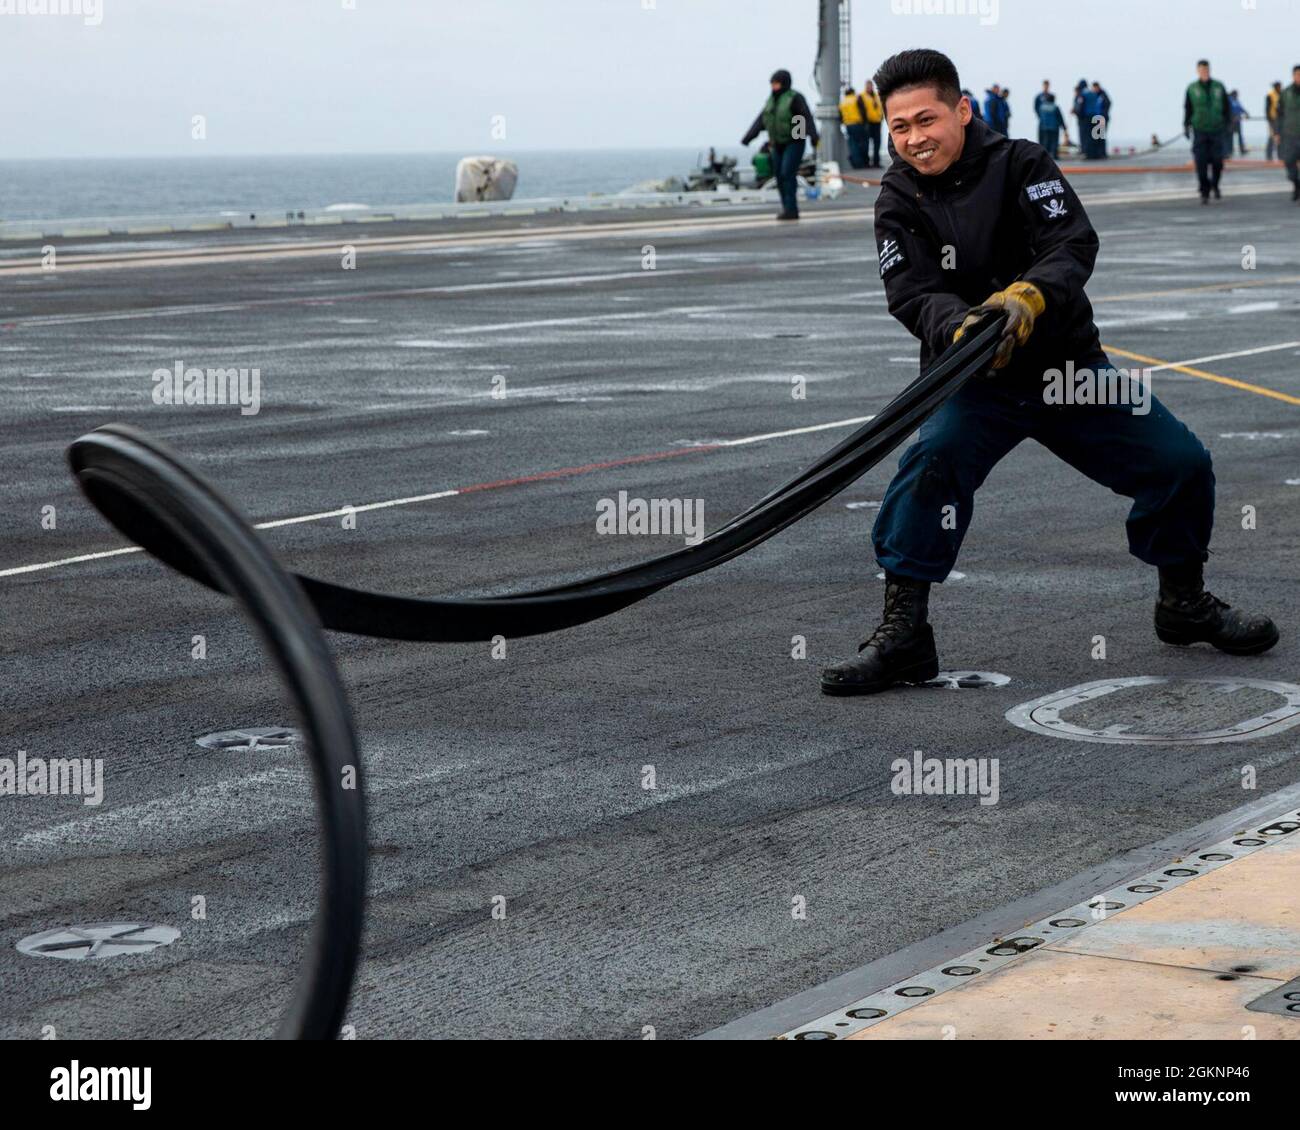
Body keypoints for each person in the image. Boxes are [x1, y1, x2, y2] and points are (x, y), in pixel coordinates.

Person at [820, 48, 1277, 696]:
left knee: (1180, 463)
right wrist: (962, 325)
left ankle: (1182, 601)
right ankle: (904, 636)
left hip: (1067, 368)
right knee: (928, 468)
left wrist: (1029, 296)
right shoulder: (898, 195)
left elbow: (1072, 243)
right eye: (900, 128)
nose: (915, 139)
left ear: (963, 109)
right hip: (974, 381)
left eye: (927, 119)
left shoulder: (1021, 164)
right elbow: (910, 291)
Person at [742, 69, 820, 220]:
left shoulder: (795, 98)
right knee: (779, 176)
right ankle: (786, 208)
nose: (773, 87)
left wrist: (813, 136)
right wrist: (748, 138)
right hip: (777, 144)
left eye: (776, 83)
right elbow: (761, 120)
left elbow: (805, 117)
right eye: (772, 84)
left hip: (794, 142)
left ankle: (792, 209)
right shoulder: (771, 101)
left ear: (784, 83)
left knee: (787, 173)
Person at [1184, 59, 1231, 202]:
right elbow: (1188, 108)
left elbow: (1226, 107)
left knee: (1218, 162)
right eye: (1202, 70)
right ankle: (1204, 190)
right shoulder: (1192, 88)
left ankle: (1215, 185)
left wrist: (1227, 125)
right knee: (1201, 163)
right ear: (1198, 71)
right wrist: (1186, 125)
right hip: (1200, 129)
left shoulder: (1219, 86)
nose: (1204, 72)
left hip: (1217, 129)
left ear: (1209, 70)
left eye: (1206, 70)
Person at [1279, 65, 1300, 202]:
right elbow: (1279, 114)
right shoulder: (1285, 93)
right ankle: (1297, 185)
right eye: (1297, 74)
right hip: (1290, 134)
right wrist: (1277, 132)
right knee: (1289, 162)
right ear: (1293, 76)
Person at [840, 85, 870, 169]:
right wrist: (865, 123)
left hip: (848, 125)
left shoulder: (843, 102)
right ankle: (863, 163)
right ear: (853, 92)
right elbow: (863, 111)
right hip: (858, 124)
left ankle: (856, 163)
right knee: (863, 143)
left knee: (853, 144)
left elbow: (841, 115)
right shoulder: (856, 98)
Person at [861, 80, 885, 167]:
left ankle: (876, 162)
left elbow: (881, 107)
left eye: (870, 86)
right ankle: (866, 162)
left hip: (877, 123)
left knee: (877, 143)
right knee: (866, 143)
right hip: (867, 123)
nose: (869, 88)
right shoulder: (862, 96)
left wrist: (881, 117)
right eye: (867, 86)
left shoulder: (877, 96)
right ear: (865, 87)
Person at [1036, 91, 1066, 158]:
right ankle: (1055, 155)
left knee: (1045, 142)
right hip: (1054, 127)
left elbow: (1040, 117)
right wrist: (1064, 127)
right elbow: (1060, 118)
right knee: (1054, 142)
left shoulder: (1041, 107)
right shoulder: (1055, 107)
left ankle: (1045, 156)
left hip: (1044, 127)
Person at [1090, 81, 1112, 158]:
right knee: (1095, 136)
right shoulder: (1093, 95)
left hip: (1101, 117)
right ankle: (1097, 153)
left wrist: (1103, 113)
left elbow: (1108, 103)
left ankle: (1102, 153)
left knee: (1101, 136)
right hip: (1095, 118)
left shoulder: (1103, 95)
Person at [1228, 89, 1250, 155]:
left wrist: (1246, 113)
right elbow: (1227, 110)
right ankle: (1230, 150)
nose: (1237, 96)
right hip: (1231, 121)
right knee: (1230, 136)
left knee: (1240, 135)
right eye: (1236, 94)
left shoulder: (1236, 100)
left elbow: (1240, 108)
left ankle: (1242, 149)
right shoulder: (1229, 100)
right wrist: (1232, 117)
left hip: (1237, 120)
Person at [1071, 80, 1090, 155]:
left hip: (1083, 118)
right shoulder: (1090, 93)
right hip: (1096, 117)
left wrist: (1075, 112)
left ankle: (1085, 150)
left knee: (1083, 134)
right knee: (1093, 135)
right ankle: (1092, 151)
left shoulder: (1081, 95)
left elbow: (1080, 107)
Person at [1266, 80, 1283, 161]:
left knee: (1280, 137)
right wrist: (1269, 120)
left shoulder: (1281, 94)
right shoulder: (1270, 95)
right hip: (1272, 119)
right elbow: (1267, 108)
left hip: (1280, 119)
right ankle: (1269, 155)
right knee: (1272, 137)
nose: (1280, 88)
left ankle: (1280, 155)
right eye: (1279, 86)